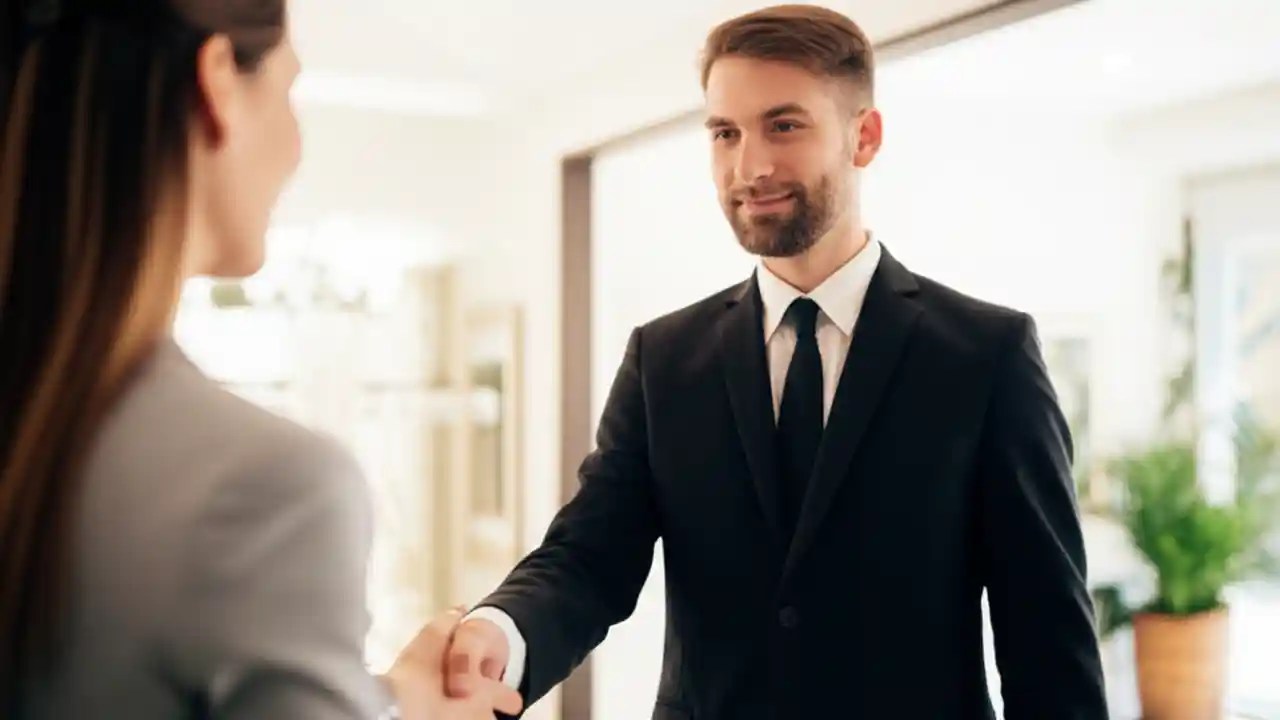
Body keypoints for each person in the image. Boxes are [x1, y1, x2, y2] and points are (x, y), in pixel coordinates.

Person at [445, 5, 1108, 719]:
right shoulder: (662, 360)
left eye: (783, 126)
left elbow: (1047, 640)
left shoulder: (986, 356)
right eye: (725, 133)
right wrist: (500, 632)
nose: (750, 167)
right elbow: (588, 559)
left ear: (864, 137)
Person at [0, 2, 521, 718]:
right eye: (288, 89)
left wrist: (387, 699)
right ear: (217, 81)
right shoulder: (268, 488)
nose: (297, 146)